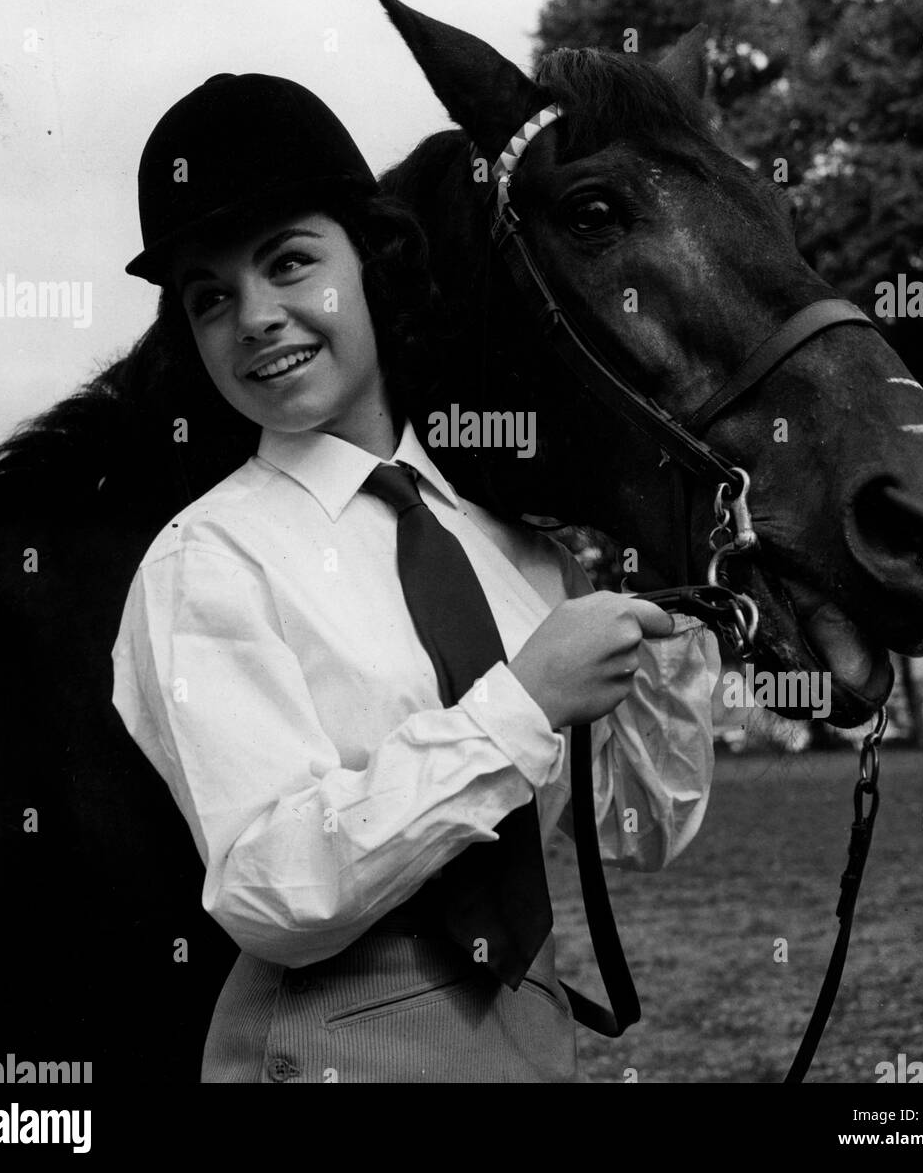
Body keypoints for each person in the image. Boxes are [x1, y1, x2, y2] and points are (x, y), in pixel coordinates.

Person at [111, 71, 720, 1084]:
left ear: (375, 260)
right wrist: (522, 705)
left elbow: (642, 827)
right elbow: (268, 886)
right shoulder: (206, 559)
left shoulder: (519, 549)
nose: (255, 316)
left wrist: (669, 582)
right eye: (210, 297)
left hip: (528, 1052)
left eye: (290, 263)